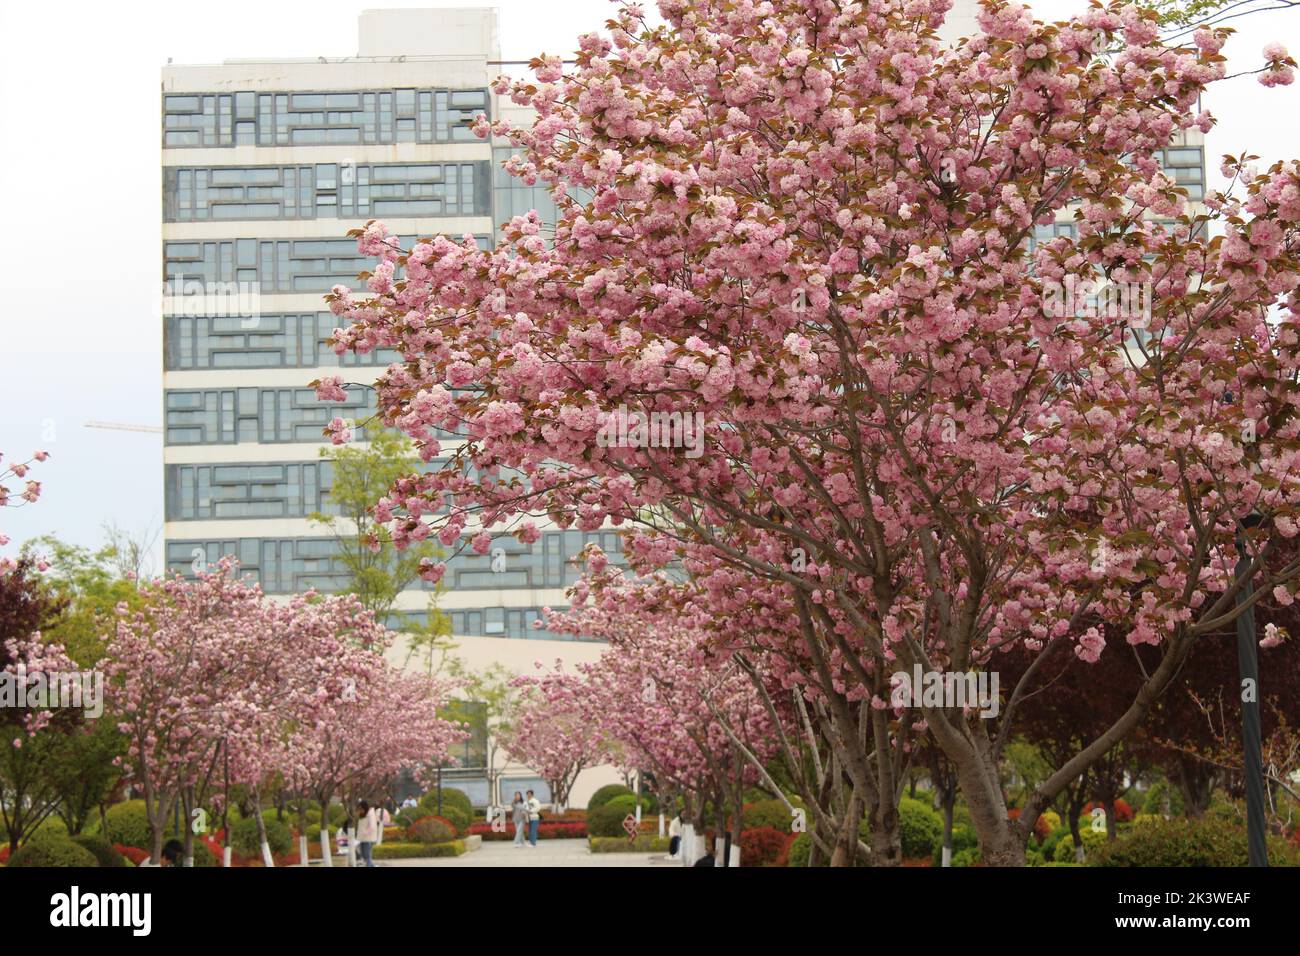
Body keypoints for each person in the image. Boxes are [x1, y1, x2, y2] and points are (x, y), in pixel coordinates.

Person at [355, 800, 378, 867]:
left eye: (361, 808)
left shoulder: (370, 814)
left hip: (368, 839)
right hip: (362, 838)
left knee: (367, 856)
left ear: (364, 807)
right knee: (364, 855)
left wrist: (365, 833)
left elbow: (372, 826)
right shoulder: (363, 814)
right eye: (359, 808)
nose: (360, 810)